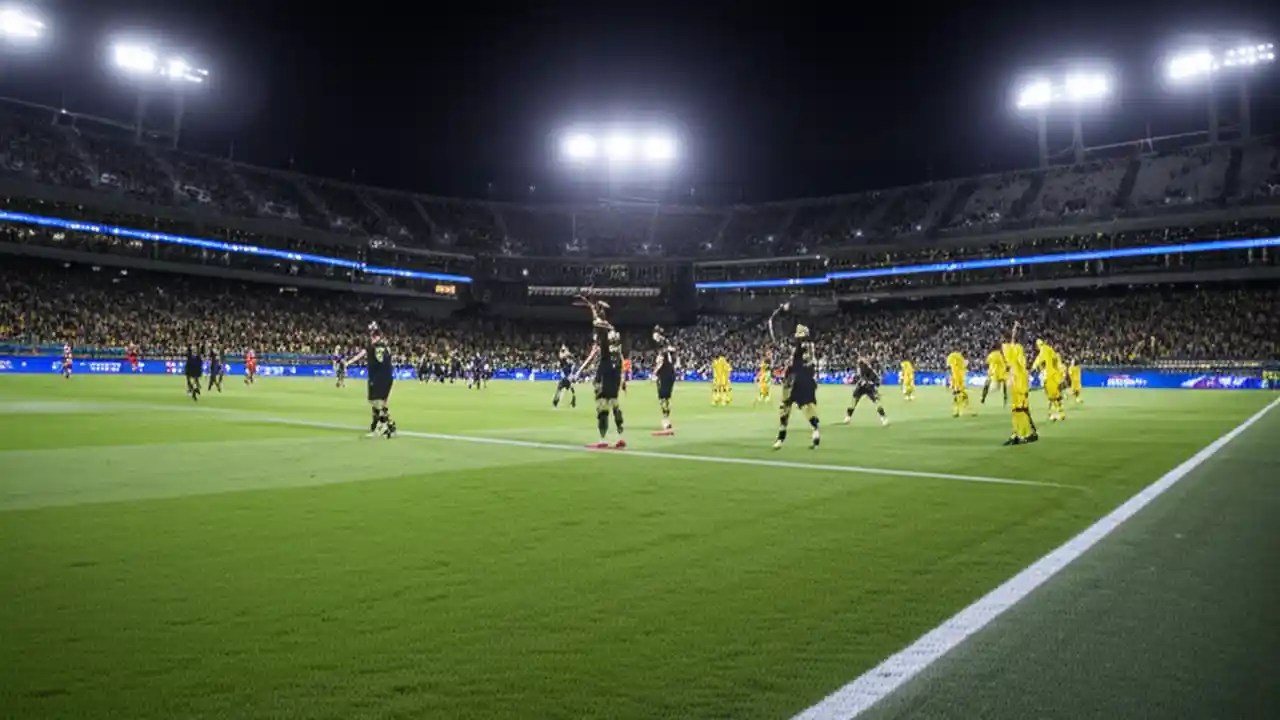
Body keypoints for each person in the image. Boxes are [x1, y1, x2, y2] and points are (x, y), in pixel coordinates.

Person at [770, 304, 820, 450]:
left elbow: (773, 327)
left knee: (785, 407)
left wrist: (779, 311)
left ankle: (780, 438)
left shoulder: (795, 345)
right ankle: (816, 431)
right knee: (807, 407)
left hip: (793, 378)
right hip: (808, 378)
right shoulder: (811, 345)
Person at [579, 298, 625, 449]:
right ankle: (620, 437)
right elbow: (620, 354)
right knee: (615, 404)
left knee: (602, 405)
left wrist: (592, 310)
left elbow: (597, 323)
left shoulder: (601, 328)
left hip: (605, 370)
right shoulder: (615, 332)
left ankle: (602, 439)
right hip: (616, 371)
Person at [344, 321, 397, 439]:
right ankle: (388, 426)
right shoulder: (385, 346)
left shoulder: (374, 346)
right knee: (381, 402)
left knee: (375, 401)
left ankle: (382, 426)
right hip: (387, 376)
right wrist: (348, 362)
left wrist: (348, 363)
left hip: (378, 376)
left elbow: (363, 354)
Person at [1003, 323, 1038, 445]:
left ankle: (1026, 433)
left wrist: (1014, 330)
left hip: (1020, 385)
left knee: (1020, 410)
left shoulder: (1016, 353)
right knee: (1017, 410)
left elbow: (1011, 346)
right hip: (1017, 385)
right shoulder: (1017, 355)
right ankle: (1018, 434)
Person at [842, 357, 889, 426]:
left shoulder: (871, 371)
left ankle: (883, 418)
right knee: (853, 403)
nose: (859, 366)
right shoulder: (859, 371)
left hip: (869, 389)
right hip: (860, 388)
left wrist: (871, 384)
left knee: (877, 403)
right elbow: (856, 379)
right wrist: (854, 382)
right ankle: (848, 417)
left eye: (860, 365)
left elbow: (877, 381)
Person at [1032, 339, 1066, 422]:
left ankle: (1056, 414)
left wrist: (1034, 367)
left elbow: (1039, 359)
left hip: (1050, 375)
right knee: (1056, 396)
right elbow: (1055, 359)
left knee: (1053, 397)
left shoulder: (1044, 350)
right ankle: (1059, 413)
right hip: (1055, 375)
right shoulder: (1050, 350)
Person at [652, 326, 676, 435]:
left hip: (664, 373)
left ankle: (666, 420)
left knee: (662, 398)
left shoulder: (663, 351)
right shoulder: (670, 349)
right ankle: (666, 419)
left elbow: (661, 362)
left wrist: (654, 373)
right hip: (671, 373)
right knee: (666, 398)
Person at [946, 350, 970, 417]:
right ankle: (965, 410)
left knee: (957, 395)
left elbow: (948, 367)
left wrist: (950, 382)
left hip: (956, 380)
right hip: (959, 381)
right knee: (960, 395)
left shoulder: (952, 356)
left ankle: (958, 411)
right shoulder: (963, 361)